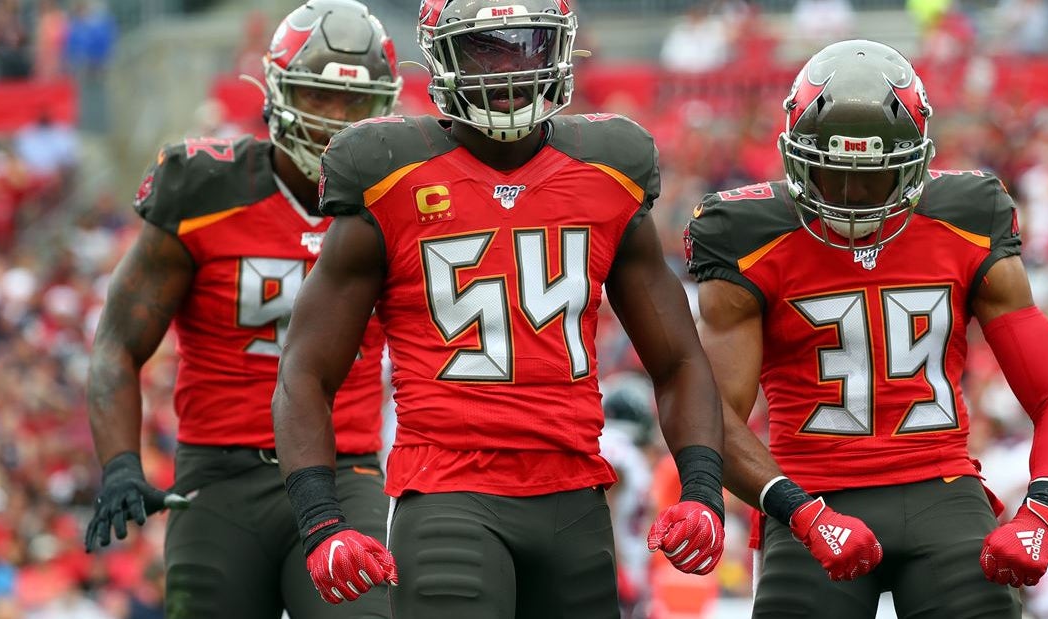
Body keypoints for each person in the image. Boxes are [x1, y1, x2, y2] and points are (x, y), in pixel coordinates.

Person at [271, 0, 727, 615]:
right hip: (447, 492)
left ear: (559, 49)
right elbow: (304, 370)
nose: (509, 68)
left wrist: (702, 488)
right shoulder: (386, 177)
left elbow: (680, 361)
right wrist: (321, 520)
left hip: (574, 497)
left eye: (528, 44)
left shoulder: (608, 173)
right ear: (443, 57)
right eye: (485, 48)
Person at [685, 39, 1048, 618]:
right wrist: (800, 512)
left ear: (914, 164)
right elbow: (712, 414)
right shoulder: (748, 235)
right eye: (832, 174)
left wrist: (1042, 511)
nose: (852, 195)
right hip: (811, 492)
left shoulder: (966, 219)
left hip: (942, 487)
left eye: (873, 178)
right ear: (796, 157)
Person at [82, 2, 402, 618]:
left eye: (355, 103)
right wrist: (120, 462)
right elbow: (118, 341)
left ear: (383, 106)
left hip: (345, 473)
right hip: (219, 477)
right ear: (277, 90)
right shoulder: (202, 188)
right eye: (318, 95)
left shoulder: (397, 197)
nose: (335, 120)